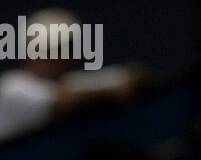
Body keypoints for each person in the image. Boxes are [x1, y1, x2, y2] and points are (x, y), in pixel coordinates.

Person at [0, 8, 141, 144]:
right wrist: (108, 91)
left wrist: (125, 81)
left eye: (66, 49)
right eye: (51, 50)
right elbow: (60, 103)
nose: (61, 57)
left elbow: (132, 74)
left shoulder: (67, 82)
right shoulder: (13, 86)